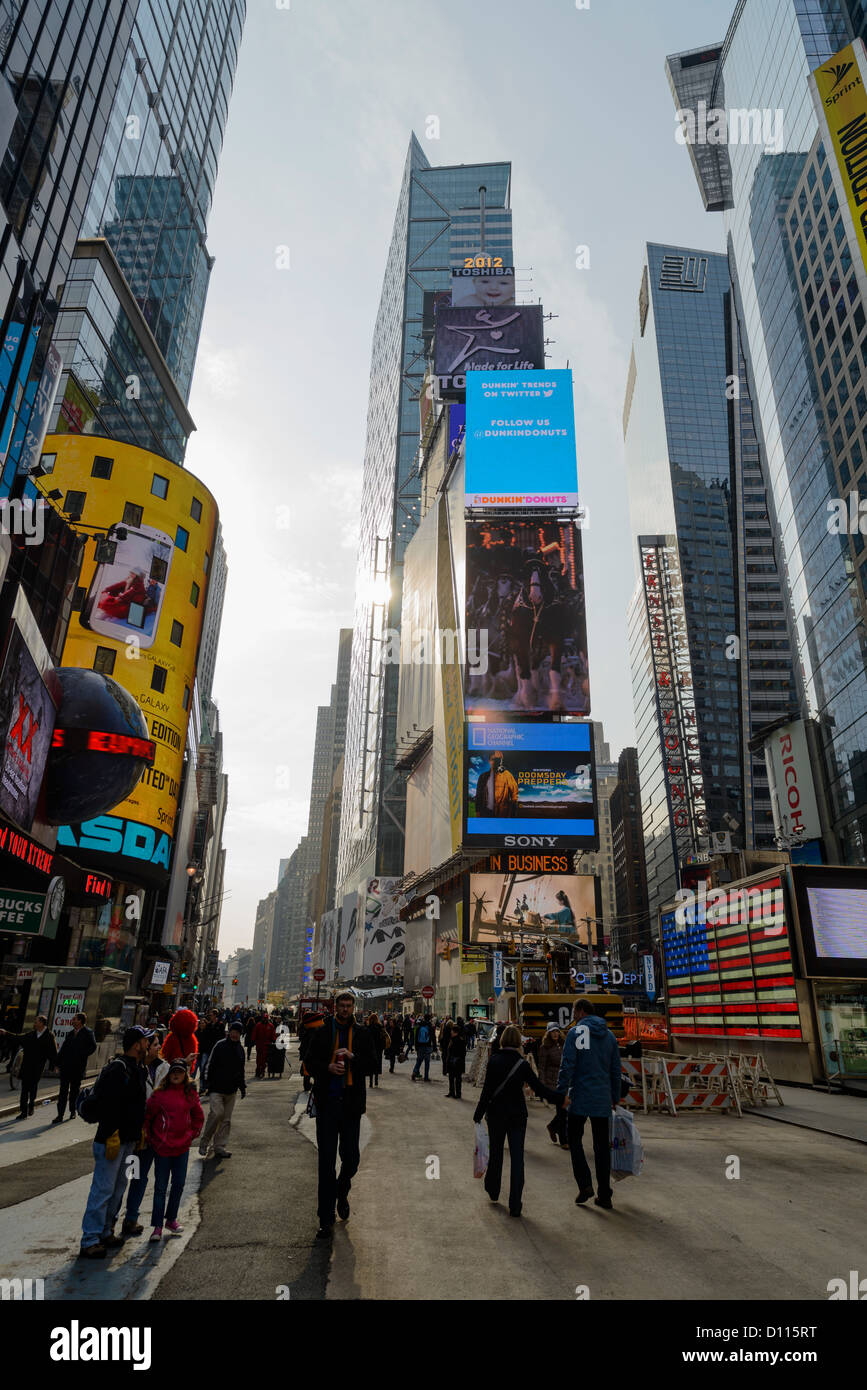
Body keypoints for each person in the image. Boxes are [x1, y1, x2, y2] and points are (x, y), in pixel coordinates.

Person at [305, 992, 376, 1239]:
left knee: (351, 1159)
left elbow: (373, 1065)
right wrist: (327, 1067)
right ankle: (325, 1218)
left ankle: (341, 1190)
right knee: (325, 1163)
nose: (345, 1010)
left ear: (354, 1008)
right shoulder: (323, 1032)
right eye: (342, 1006)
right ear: (335, 1007)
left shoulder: (362, 1033)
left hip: (351, 1106)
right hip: (327, 1104)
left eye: (349, 1006)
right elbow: (309, 1060)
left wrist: (353, 1058)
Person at [78, 1025, 152, 1259]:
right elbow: (106, 1105)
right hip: (112, 1141)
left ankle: (106, 1230)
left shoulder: (139, 1069)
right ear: (136, 1044)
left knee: (120, 1186)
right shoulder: (117, 1069)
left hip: (131, 1142)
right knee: (103, 1188)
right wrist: (112, 1132)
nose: (148, 1045)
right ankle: (90, 1238)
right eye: (145, 1041)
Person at [473, 1024, 560, 1217]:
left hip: (496, 1114)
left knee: (496, 1153)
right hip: (517, 1116)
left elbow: (487, 1091)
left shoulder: (494, 1060)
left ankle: (494, 1190)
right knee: (517, 1158)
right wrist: (560, 1099)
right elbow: (539, 1089)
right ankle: (515, 1204)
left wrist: (478, 1114)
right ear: (518, 1042)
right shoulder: (523, 1065)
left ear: (503, 1040)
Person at [558, 999, 623, 1211]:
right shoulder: (610, 1036)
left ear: (581, 1010)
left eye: (574, 1011)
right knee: (601, 1147)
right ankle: (605, 1195)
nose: (573, 1015)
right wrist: (615, 1096)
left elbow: (568, 1065)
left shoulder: (576, 1033)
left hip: (580, 1098)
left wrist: (561, 1092)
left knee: (574, 1139)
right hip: (603, 1099)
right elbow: (615, 1070)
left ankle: (585, 1184)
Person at [145, 1060, 203, 1241]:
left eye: (179, 1072)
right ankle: (157, 1226)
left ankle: (171, 1219)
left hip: (182, 1148)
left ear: (185, 1074)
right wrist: (152, 1138)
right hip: (162, 1149)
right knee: (161, 1188)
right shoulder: (159, 1095)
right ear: (169, 1075)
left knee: (178, 1185)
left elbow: (198, 1116)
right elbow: (148, 1117)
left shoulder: (190, 1094)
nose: (176, 1075)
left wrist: (191, 1134)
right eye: (173, 1072)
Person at [122, 1030, 168, 1236]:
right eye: (155, 1044)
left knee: (140, 1177)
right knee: (127, 1176)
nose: (158, 1047)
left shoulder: (163, 1068)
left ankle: (131, 1217)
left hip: (150, 1136)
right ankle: (112, 1219)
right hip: (132, 1134)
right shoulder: (134, 1067)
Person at [199, 1019, 247, 1159]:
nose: (235, 1034)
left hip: (231, 1090)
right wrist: (207, 1083)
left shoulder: (240, 1050)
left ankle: (219, 1146)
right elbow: (210, 1064)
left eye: (238, 1032)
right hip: (216, 1088)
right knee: (216, 1114)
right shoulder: (220, 1045)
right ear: (229, 1031)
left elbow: (241, 1070)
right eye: (233, 1031)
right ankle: (204, 1142)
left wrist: (242, 1087)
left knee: (226, 1120)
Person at [0, 1015, 58, 1119]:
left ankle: (31, 1103)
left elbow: (53, 1052)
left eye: (36, 1022)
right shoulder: (31, 1034)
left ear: (41, 1023)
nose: (34, 1023)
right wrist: (6, 1033)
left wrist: (55, 1065)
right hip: (26, 1065)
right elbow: (18, 1037)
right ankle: (23, 1111)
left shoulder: (49, 1036)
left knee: (33, 1087)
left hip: (38, 1066)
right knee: (24, 1088)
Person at [53, 1012, 97, 1123]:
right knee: (63, 1091)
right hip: (66, 1067)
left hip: (77, 1068)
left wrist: (82, 1054)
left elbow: (93, 1047)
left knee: (74, 1091)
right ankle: (60, 1115)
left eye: (74, 1019)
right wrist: (57, 1063)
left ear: (80, 1021)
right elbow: (63, 1050)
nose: (72, 1021)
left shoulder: (88, 1032)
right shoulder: (70, 1034)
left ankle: (73, 1110)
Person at [539, 1024, 568, 1148]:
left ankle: (552, 1126)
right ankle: (564, 1140)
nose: (555, 1034)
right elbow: (542, 1067)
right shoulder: (545, 1047)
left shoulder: (564, 1045)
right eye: (552, 1032)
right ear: (548, 1033)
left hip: (565, 1081)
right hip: (552, 1083)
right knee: (562, 1110)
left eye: (557, 1031)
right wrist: (543, 1086)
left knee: (565, 1110)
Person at [197, 1009, 225, 1094]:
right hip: (207, 1050)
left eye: (211, 1015)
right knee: (203, 1068)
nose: (210, 1016)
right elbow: (205, 1037)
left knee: (213, 1070)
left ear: (215, 1015)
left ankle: (210, 1087)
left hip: (216, 1051)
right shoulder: (208, 1026)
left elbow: (222, 1038)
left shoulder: (220, 1025)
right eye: (210, 1015)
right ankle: (203, 1087)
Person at [445, 1020, 467, 1099]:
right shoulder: (454, 1039)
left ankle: (456, 1093)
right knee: (453, 1078)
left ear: (455, 1032)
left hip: (456, 1062)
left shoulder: (459, 1041)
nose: (451, 1032)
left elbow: (462, 1053)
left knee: (456, 1079)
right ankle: (453, 1092)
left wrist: (457, 1058)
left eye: (452, 1031)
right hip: (454, 1061)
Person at [411, 1013, 435, 1082]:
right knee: (427, 1062)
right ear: (429, 1019)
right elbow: (433, 1037)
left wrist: (416, 1046)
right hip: (427, 1046)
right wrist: (434, 1047)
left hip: (420, 1046)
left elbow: (416, 1037)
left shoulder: (419, 1026)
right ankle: (426, 1077)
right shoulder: (430, 1026)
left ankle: (414, 1072)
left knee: (419, 1061)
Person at [366, 1012, 387, 1087]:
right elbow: (384, 1038)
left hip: (370, 1049)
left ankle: (370, 1082)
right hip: (378, 1049)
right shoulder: (380, 1027)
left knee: (371, 1065)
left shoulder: (368, 1028)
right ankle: (376, 1081)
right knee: (377, 1064)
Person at [252, 1013, 275, 1079]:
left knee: (264, 1059)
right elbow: (254, 1033)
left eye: (266, 1018)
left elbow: (273, 1034)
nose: (265, 1019)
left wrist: (274, 1040)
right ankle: (258, 1071)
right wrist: (253, 1040)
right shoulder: (258, 1025)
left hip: (267, 1045)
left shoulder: (270, 1026)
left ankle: (262, 1071)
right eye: (264, 1018)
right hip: (259, 1044)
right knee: (259, 1059)